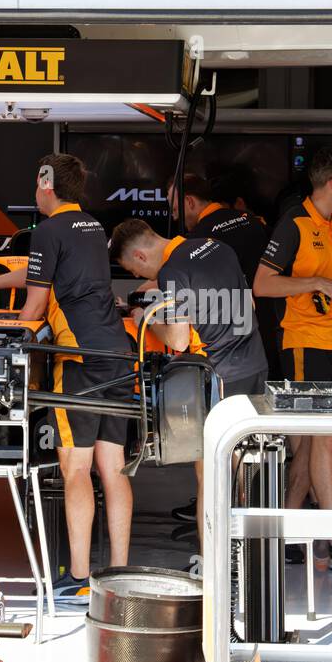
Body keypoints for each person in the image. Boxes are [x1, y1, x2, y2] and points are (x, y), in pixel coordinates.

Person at [253, 145, 332, 575]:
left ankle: (287, 535)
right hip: (303, 343)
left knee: (312, 443)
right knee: (322, 440)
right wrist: (317, 282)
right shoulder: (294, 224)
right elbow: (263, 285)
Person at [17, 153, 134, 603]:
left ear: (46, 183)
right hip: (118, 353)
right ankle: (119, 573)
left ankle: (80, 578)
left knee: (76, 467)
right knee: (113, 466)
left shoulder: (45, 231)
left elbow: (33, 307)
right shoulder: (92, 226)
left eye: (36, 183)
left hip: (79, 358)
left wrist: (5, 337)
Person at [111, 218, 268, 547]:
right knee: (247, 470)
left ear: (140, 256)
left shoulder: (174, 271)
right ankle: (247, 557)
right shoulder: (217, 246)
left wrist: (147, 320)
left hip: (219, 377)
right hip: (254, 364)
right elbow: (248, 303)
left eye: (138, 273)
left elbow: (179, 341)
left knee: (210, 478)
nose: (144, 278)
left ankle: (214, 566)